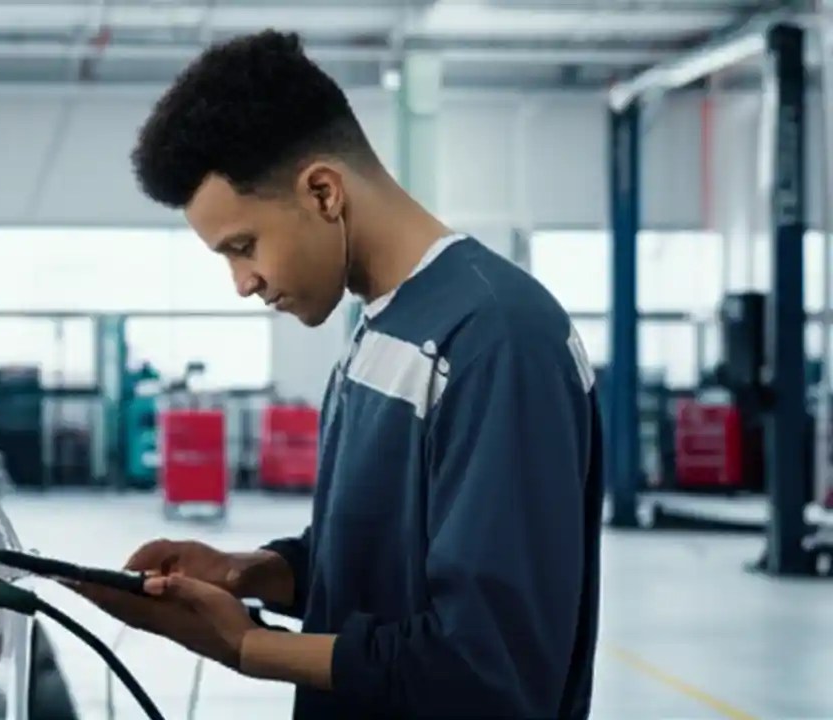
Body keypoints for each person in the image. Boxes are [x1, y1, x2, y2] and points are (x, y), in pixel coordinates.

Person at [69, 28, 604, 719]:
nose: (243, 282)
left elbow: (487, 668)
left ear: (324, 192)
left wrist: (248, 648)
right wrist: (247, 573)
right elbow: (380, 556)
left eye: (243, 245)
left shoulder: (496, 339)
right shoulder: (380, 329)